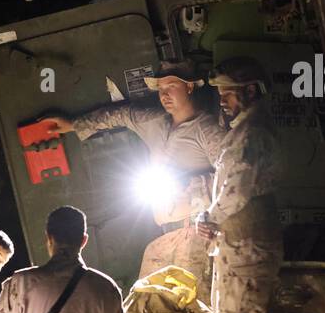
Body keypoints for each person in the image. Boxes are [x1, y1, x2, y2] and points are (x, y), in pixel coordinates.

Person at [38, 59, 226, 287]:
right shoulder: (155, 121)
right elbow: (120, 115)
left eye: (171, 87)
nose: (164, 94)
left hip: (197, 226)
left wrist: (190, 186)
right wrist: (75, 125)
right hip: (166, 225)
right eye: (161, 89)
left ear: (189, 87)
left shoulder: (207, 130)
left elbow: (230, 178)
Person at [192, 57, 284, 313]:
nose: (223, 101)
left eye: (228, 93)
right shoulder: (246, 130)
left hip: (245, 244)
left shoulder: (250, 134)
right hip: (237, 244)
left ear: (249, 92)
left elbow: (236, 190)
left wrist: (208, 216)